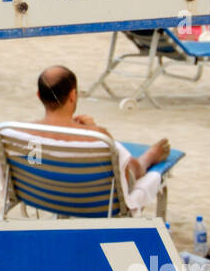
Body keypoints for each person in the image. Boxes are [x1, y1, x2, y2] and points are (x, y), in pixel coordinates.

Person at [33, 65, 171, 185]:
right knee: (132, 166)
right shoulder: (97, 137)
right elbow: (128, 175)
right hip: (91, 200)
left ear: (39, 95)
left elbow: (34, 162)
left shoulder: (20, 132)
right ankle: (148, 158)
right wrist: (93, 130)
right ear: (72, 95)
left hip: (45, 195)